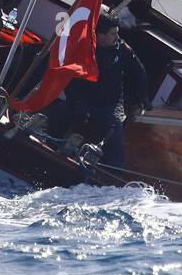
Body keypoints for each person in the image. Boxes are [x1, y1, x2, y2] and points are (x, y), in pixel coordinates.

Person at [47, 15, 149, 169]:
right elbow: (66, 73)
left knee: (115, 132)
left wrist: (143, 97)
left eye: (117, 33)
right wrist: (74, 98)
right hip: (81, 99)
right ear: (100, 36)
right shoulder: (85, 47)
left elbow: (139, 73)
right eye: (113, 34)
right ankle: (47, 145)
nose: (117, 37)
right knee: (59, 114)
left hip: (110, 104)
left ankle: (113, 172)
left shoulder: (123, 50)